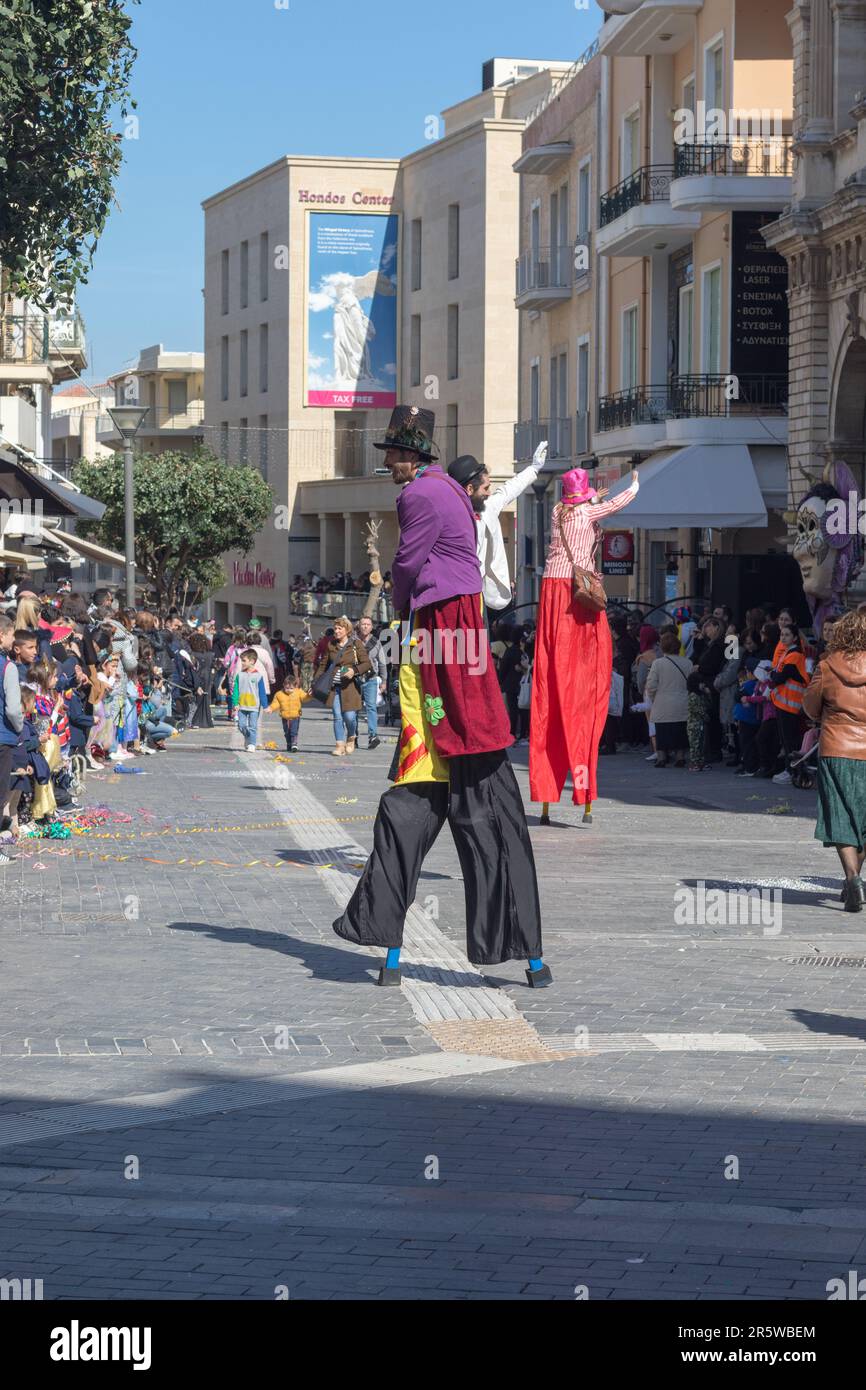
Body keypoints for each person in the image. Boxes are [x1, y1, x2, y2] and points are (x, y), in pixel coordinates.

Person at [333, 404, 547, 981]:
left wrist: (397, 605)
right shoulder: (451, 489)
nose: (391, 467)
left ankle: (389, 945)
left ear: (412, 456)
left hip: (440, 627)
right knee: (480, 794)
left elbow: (406, 565)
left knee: (422, 780)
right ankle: (527, 950)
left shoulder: (419, 496)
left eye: (393, 457)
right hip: (461, 626)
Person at [529, 466, 639, 820]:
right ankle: (583, 793)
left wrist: (592, 496)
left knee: (551, 679)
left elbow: (584, 502)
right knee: (584, 679)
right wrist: (635, 482)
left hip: (551, 589)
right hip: (576, 594)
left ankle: (547, 794)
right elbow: (621, 501)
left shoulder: (559, 511)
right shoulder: (588, 511)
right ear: (585, 495)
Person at [802, 609, 866, 912]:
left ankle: (852, 878)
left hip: (837, 748)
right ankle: (854, 880)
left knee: (839, 815)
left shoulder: (827, 664)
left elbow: (811, 707)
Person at [447, 440, 550, 618]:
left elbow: (508, 490)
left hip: (478, 595)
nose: (489, 493)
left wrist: (534, 468)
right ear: (470, 489)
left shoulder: (486, 508)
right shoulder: (449, 518)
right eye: (486, 488)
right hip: (453, 596)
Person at [314, 616, 371, 757]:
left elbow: (366, 663)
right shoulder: (331, 645)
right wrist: (315, 682)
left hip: (350, 687)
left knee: (350, 717)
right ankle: (339, 745)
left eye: (340, 628)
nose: (336, 631)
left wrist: (354, 671)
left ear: (347, 630)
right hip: (334, 688)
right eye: (335, 628)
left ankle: (351, 737)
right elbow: (323, 665)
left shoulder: (356, 644)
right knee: (338, 717)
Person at [768, 621, 809, 785]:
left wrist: (773, 675)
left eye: (787, 635)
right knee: (787, 739)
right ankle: (791, 770)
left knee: (790, 740)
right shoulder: (788, 653)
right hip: (785, 703)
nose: (783, 637)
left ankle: (792, 770)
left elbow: (779, 677)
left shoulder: (794, 655)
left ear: (794, 638)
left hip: (790, 704)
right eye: (782, 634)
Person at [645, 630, 692, 767]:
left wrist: (654, 698)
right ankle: (680, 756)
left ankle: (661, 758)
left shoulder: (658, 663)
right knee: (680, 732)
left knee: (662, 731)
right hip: (682, 702)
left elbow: (651, 685)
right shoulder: (687, 663)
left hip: (662, 703)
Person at [0, 613, 23, 864]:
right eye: (10, 634)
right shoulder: (8, 667)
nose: (13, 638)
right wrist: (18, 729)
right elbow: (14, 709)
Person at [356, 614, 386, 750]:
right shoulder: (352, 641)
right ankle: (353, 736)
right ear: (359, 626)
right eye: (363, 624)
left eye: (368, 624)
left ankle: (373, 736)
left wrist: (384, 680)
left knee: (371, 708)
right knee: (353, 709)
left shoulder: (376, 642)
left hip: (371, 679)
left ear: (371, 627)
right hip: (354, 679)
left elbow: (382, 663)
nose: (365, 626)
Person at [232, 649, 269, 752]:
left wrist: (265, 706)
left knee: (253, 726)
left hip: (254, 707)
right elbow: (235, 690)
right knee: (241, 725)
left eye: (244, 660)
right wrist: (235, 703)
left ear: (252, 661)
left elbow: (262, 693)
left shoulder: (258, 676)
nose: (242, 663)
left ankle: (252, 744)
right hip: (242, 706)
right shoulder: (240, 675)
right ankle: (248, 738)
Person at [268, 674, 310, 752]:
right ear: (283, 685)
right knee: (287, 732)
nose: (289, 690)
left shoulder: (298, 692)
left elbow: (304, 698)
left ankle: (294, 744)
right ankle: (289, 743)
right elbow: (276, 703)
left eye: (291, 688)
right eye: (287, 688)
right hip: (285, 717)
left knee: (294, 731)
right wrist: (271, 708)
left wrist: (308, 695)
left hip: (295, 716)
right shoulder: (279, 694)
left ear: (295, 687)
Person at [187, 631, 215, 730]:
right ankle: (205, 720)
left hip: (197, 676)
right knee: (205, 698)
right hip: (207, 677)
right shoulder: (210, 654)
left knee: (195, 699)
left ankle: (195, 720)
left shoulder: (193, 654)